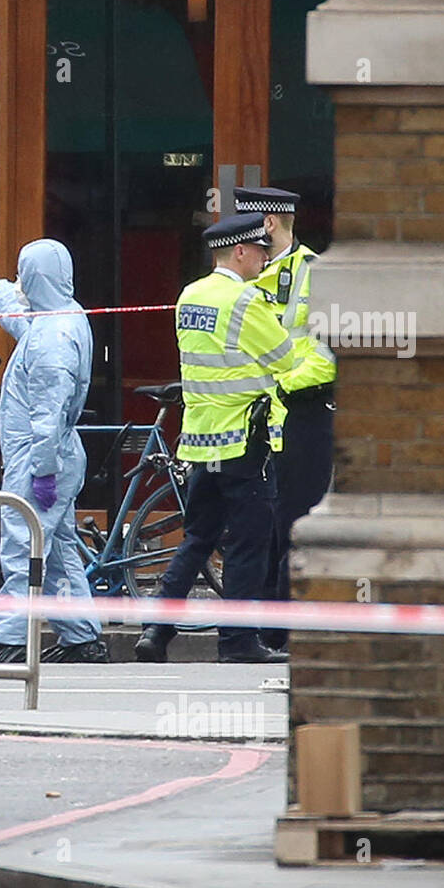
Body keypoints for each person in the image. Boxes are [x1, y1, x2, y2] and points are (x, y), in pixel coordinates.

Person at [134, 213, 296, 665]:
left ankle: (157, 630)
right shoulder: (246, 301)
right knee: (249, 544)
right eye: (261, 252)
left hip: (199, 441)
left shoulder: (190, 295)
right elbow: (286, 356)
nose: (265, 259)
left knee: (198, 538)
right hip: (244, 441)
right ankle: (238, 643)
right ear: (240, 252)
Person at [0, 238, 107, 664]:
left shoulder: (53, 339)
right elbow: (26, 321)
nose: (21, 282)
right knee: (58, 547)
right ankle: (82, 637)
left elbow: (47, 412)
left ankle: (11, 639)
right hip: (56, 453)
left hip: (42, 456)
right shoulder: (62, 317)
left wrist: (42, 471)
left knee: (22, 541)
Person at [235, 187, 336, 653]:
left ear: (269, 223)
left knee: (293, 526)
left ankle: (283, 632)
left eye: (248, 223)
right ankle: (263, 628)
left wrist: (283, 383)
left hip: (299, 413)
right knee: (265, 528)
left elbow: (329, 354)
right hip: (253, 417)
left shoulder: (312, 272)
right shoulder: (245, 273)